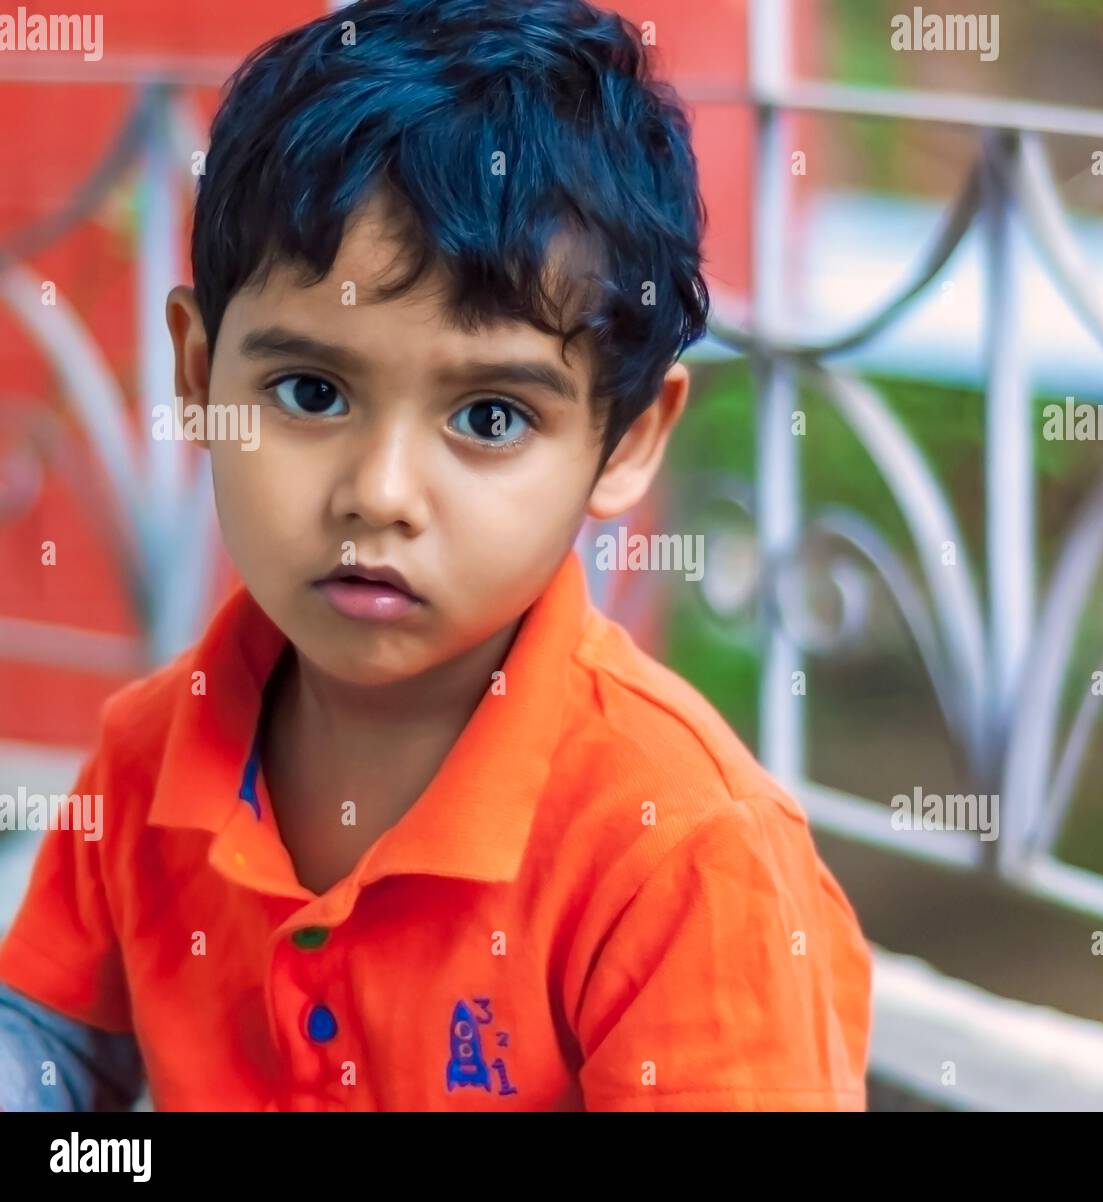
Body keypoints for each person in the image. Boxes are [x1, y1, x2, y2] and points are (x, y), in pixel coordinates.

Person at [0, 0, 872, 1111]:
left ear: (627, 439)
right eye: (310, 392)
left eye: (491, 417)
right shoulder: (149, 759)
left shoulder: (680, 851)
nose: (380, 490)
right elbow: (49, 1050)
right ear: (198, 372)